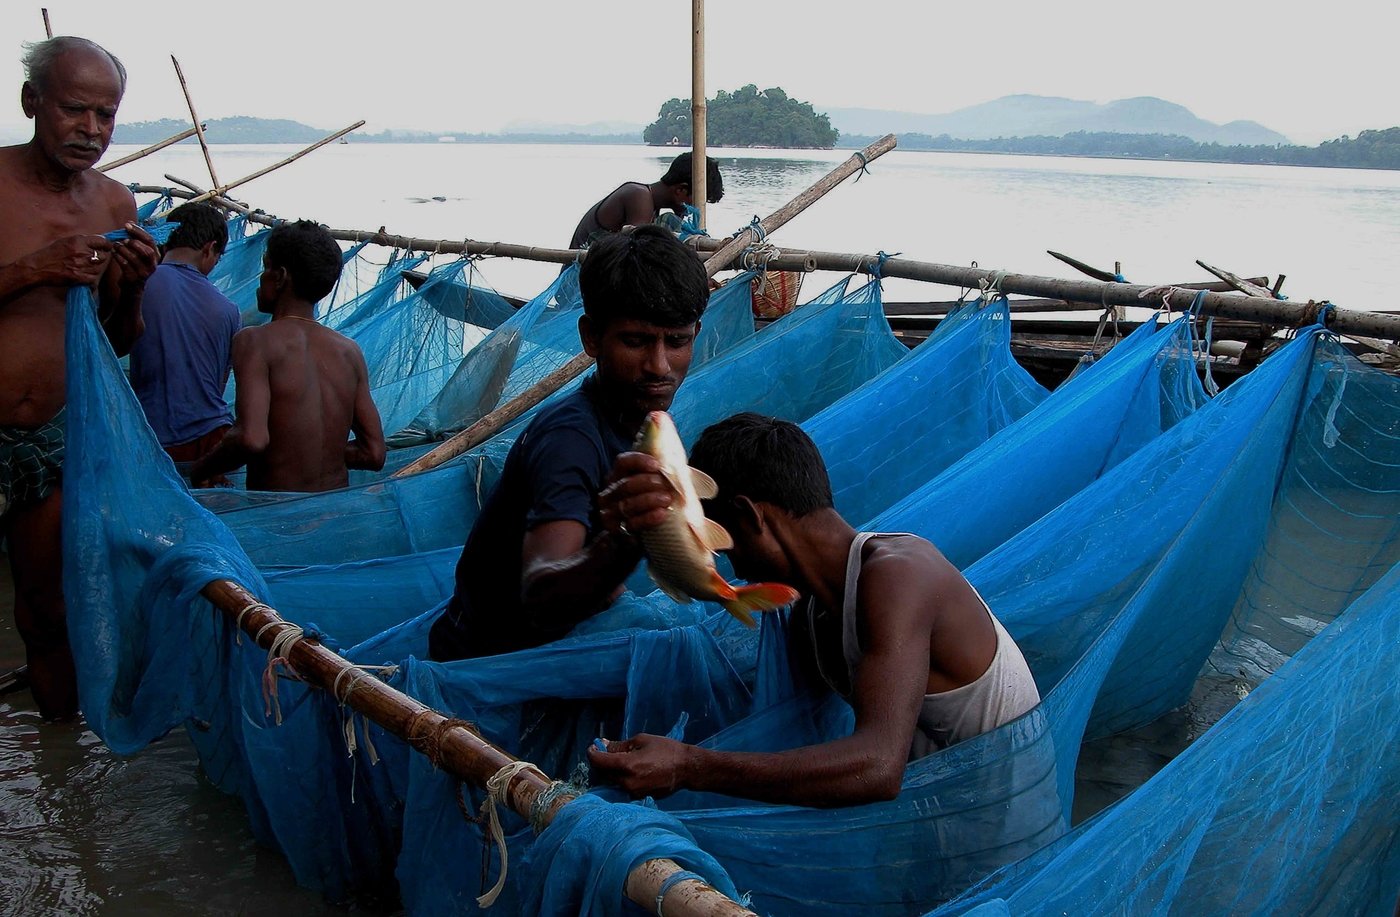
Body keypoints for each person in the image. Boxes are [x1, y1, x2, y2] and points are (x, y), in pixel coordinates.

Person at [587, 414, 1042, 808]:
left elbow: (877, 768)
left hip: (1004, 825)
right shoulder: (809, 609)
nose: (724, 559)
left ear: (749, 517)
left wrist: (688, 765)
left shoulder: (899, 577)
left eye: (716, 534)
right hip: (928, 819)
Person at [428, 224, 710, 661]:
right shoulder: (569, 440)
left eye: (677, 341)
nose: (659, 365)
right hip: (491, 664)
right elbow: (542, 597)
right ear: (591, 337)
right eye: (635, 341)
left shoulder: (639, 421)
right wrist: (624, 541)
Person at [0, 37, 158, 720]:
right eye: (74, 110)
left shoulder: (116, 202)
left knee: (47, 607)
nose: (90, 131)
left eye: (105, 114)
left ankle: (64, 781)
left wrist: (135, 288)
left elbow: (117, 338)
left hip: (58, 436)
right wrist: (37, 268)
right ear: (33, 102)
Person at [190, 220, 385, 493]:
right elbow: (374, 453)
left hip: (277, 518)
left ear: (280, 277)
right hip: (335, 515)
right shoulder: (349, 351)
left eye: (265, 267)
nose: (260, 280)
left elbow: (252, 438)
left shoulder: (255, 340)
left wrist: (200, 469)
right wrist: (317, 453)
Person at [128, 202, 240, 487]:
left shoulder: (139, 283)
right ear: (209, 248)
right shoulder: (228, 309)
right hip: (213, 438)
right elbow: (217, 383)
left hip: (151, 434)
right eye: (218, 257)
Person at [569, 152, 724, 249]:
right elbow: (639, 250)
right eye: (691, 201)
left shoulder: (652, 207)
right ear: (680, 190)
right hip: (578, 280)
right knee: (667, 225)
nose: (690, 207)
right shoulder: (639, 196)